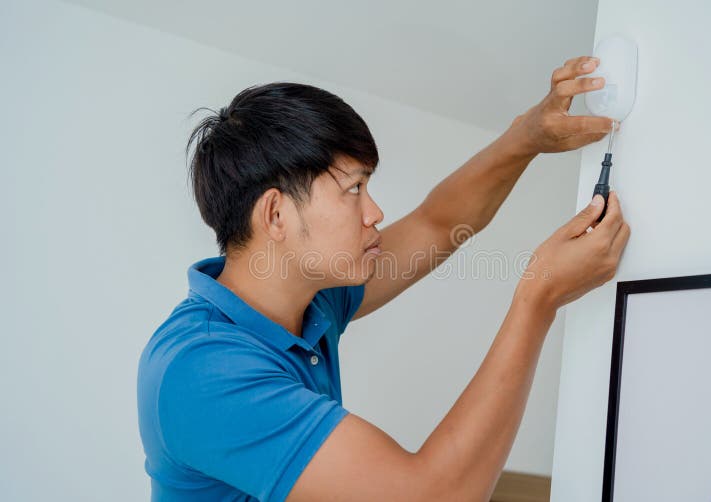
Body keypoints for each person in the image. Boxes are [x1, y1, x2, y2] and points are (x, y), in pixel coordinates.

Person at [137, 55, 630, 501]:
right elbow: (434, 497)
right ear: (276, 215)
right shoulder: (202, 373)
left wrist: (527, 137)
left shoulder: (314, 296)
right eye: (353, 189)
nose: (375, 212)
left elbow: (438, 223)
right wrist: (538, 298)